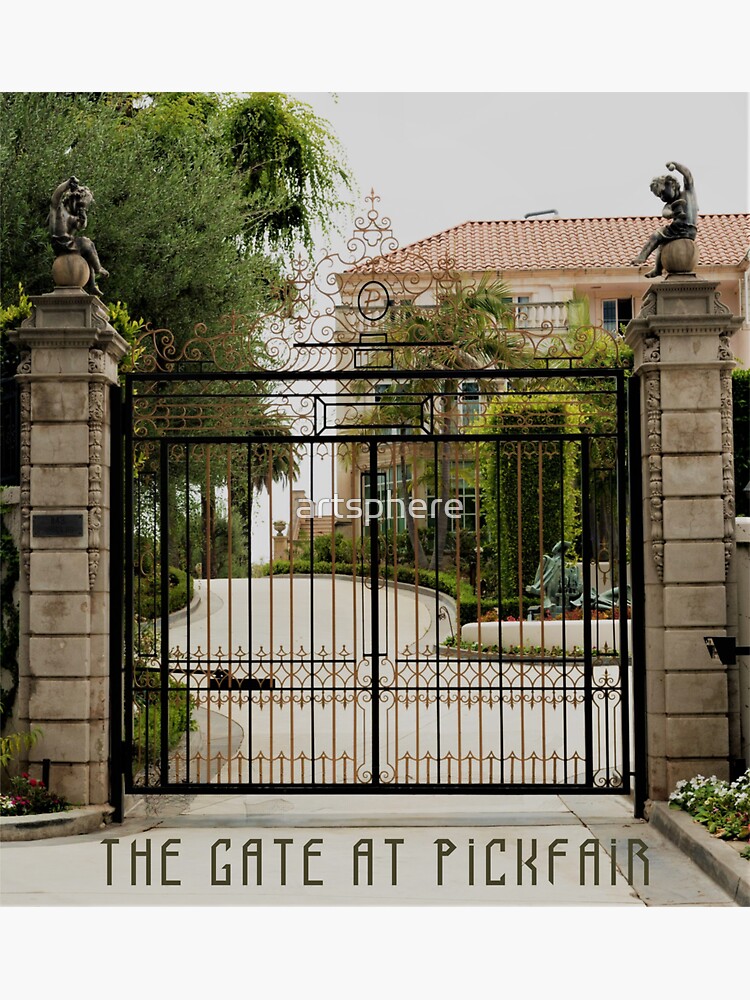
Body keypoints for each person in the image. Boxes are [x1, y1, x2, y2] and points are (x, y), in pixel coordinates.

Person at [631, 161, 698, 278]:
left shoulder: (688, 192)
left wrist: (675, 165)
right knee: (662, 245)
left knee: (657, 235)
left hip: (684, 228)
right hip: (688, 230)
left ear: (671, 184)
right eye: (659, 196)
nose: (662, 197)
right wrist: (673, 213)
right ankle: (657, 269)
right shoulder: (670, 204)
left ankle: (642, 256)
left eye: (662, 192)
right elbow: (665, 213)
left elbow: (688, 174)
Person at [48, 176, 109, 295]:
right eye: (81, 206)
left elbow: (82, 225)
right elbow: (56, 195)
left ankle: (92, 285)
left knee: (87, 254)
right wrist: (67, 184)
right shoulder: (58, 210)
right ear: (73, 200)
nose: (81, 209)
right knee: (87, 243)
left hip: (68, 243)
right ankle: (98, 268)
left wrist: (83, 213)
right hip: (61, 242)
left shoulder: (72, 217)